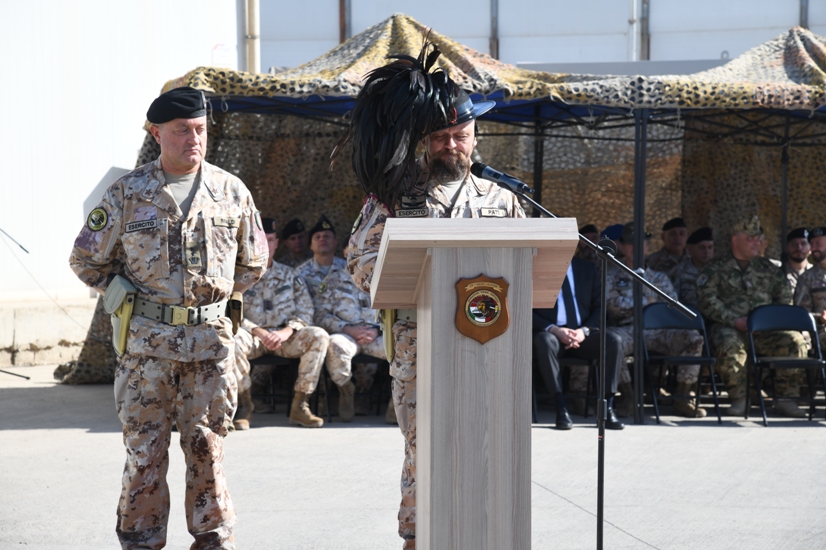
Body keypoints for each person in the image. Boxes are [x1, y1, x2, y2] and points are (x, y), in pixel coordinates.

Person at [68, 86, 268, 549]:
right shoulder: (128, 193)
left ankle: (213, 538)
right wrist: (127, 300)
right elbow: (85, 259)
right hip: (147, 352)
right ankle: (140, 540)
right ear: (157, 133)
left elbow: (254, 261)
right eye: (182, 131)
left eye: (200, 130)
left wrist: (217, 303)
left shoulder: (231, 190)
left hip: (210, 348)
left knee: (208, 450)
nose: (193, 139)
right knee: (145, 452)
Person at [346, 88, 524, 548]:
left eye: (460, 136)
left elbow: (528, 267)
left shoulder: (502, 200)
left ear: (476, 136)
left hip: (488, 345)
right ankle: (417, 536)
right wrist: (412, 270)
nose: (451, 146)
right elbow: (360, 263)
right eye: (441, 137)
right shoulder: (394, 196)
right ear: (424, 140)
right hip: (419, 343)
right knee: (425, 447)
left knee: (488, 444)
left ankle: (484, 532)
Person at [697, 215, 807, 417]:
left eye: (758, 238)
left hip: (765, 329)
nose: (756, 242)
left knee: (795, 341)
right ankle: (740, 398)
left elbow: (784, 299)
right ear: (735, 240)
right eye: (750, 238)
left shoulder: (769, 269)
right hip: (730, 327)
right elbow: (706, 300)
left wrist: (768, 322)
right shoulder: (715, 268)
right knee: (728, 343)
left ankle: (785, 399)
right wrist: (734, 321)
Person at [232, 217, 329, 429]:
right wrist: (257, 331)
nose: (267, 244)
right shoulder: (239, 276)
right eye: (262, 240)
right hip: (253, 337)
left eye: (271, 239)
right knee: (232, 339)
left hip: (285, 338)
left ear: (277, 243)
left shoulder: (290, 275)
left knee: (319, 336)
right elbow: (231, 312)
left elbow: (305, 310)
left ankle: (300, 405)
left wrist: (287, 331)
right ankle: (244, 404)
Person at [603, 223, 706, 418]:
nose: (636, 247)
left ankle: (682, 397)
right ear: (622, 246)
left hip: (658, 331)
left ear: (648, 246)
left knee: (693, 338)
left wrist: (637, 303)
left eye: (641, 243)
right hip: (627, 329)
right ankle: (628, 397)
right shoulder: (612, 276)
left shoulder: (659, 278)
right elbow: (614, 306)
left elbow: (672, 306)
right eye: (630, 243)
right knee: (611, 342)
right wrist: (646, 301)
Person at [297, 215, 388, 422]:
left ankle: (396, 403)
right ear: (347, 253)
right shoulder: (334, 278)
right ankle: (346, 391)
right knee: (333, 347)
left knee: (403, 346)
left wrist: (378, 330)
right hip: (345, 334)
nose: (359, 257)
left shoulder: (380, 280)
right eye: (354, 252)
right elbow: (320, 313)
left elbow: (392, 312)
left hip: (375, 334)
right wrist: (348, 329)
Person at [532, 257, 624, 430]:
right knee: (544, 341)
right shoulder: (537, 268)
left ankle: (608, 408)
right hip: (552, 334)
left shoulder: (587, 267)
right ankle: (561, 408)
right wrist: (554, 330)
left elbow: (600, 307)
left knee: (613, 341)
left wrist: (584, 331)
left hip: (582, 334)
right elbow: (526, 307)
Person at [794, 226, 826, 350]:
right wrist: (820, 319)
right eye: (811, 244)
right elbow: (802, 314)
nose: (813, 248)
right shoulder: (807, 278)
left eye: (818, 243)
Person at [669, 227, 714, 308]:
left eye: (710, 247)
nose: (707, 252)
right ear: (690, 250)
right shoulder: (679, 271)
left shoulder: (720, 270)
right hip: (689, 317)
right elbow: (672, 300)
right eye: (702, 247)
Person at [783, 227, 811, 291]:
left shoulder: (817, 274)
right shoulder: (777, 273)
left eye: (803, 244)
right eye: (793, 244)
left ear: (811, 249)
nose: (799, 247)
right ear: (787, 247)